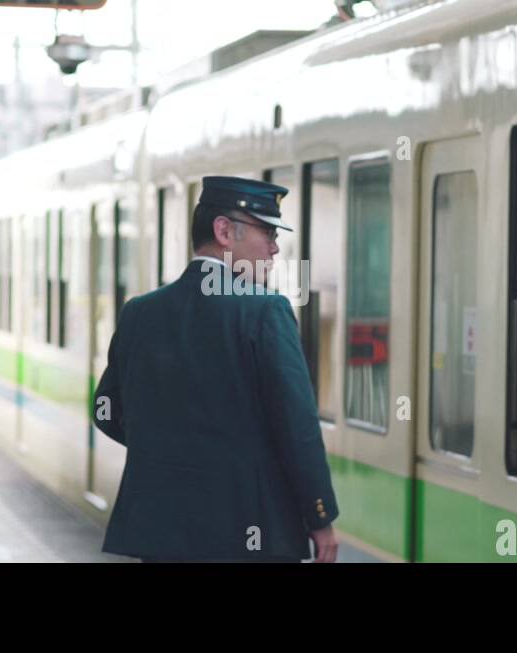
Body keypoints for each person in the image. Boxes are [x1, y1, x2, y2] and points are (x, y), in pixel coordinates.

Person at [92, 176, 340, 563]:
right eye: (267, 232)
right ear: (224, 231)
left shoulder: (140, 312)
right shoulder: (266, 310)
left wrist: (167, 450)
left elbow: (105, 410)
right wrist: (320, 516)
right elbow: (298, 428)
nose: (275, 248)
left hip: (162, 532)